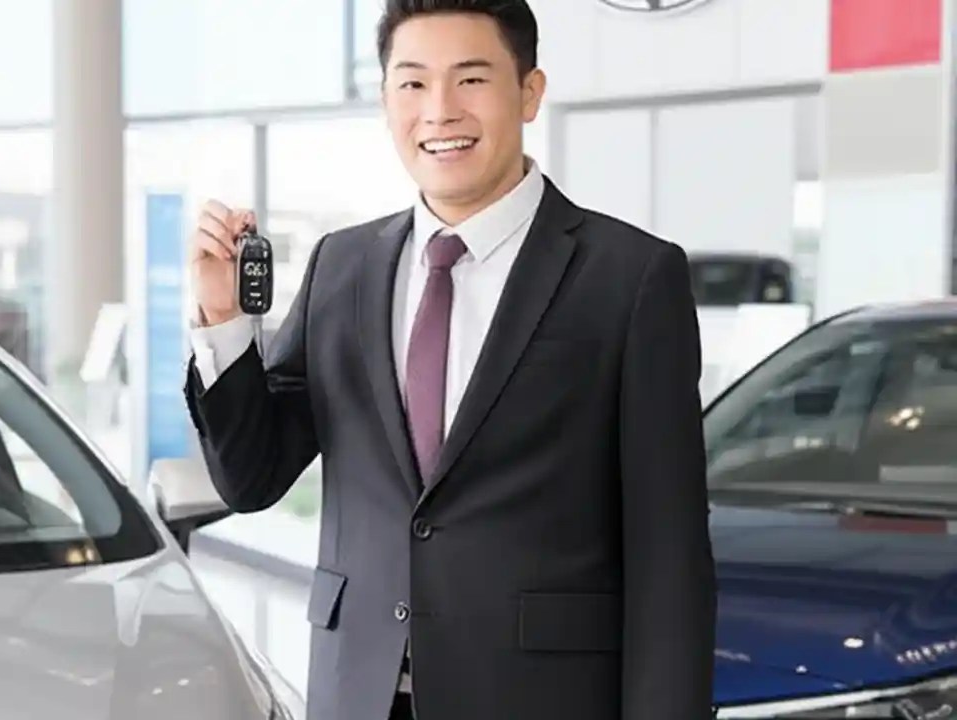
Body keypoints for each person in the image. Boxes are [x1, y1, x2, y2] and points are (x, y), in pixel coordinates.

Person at [183, 1, 716, 718]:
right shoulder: (342, 268)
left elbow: (669, 555)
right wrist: (224, 323)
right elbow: (251, 477)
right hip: (359, 693)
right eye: (412, 84)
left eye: (471, 80)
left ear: (529, 92)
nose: (439, 111)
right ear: (385, 100)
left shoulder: (630, 278)